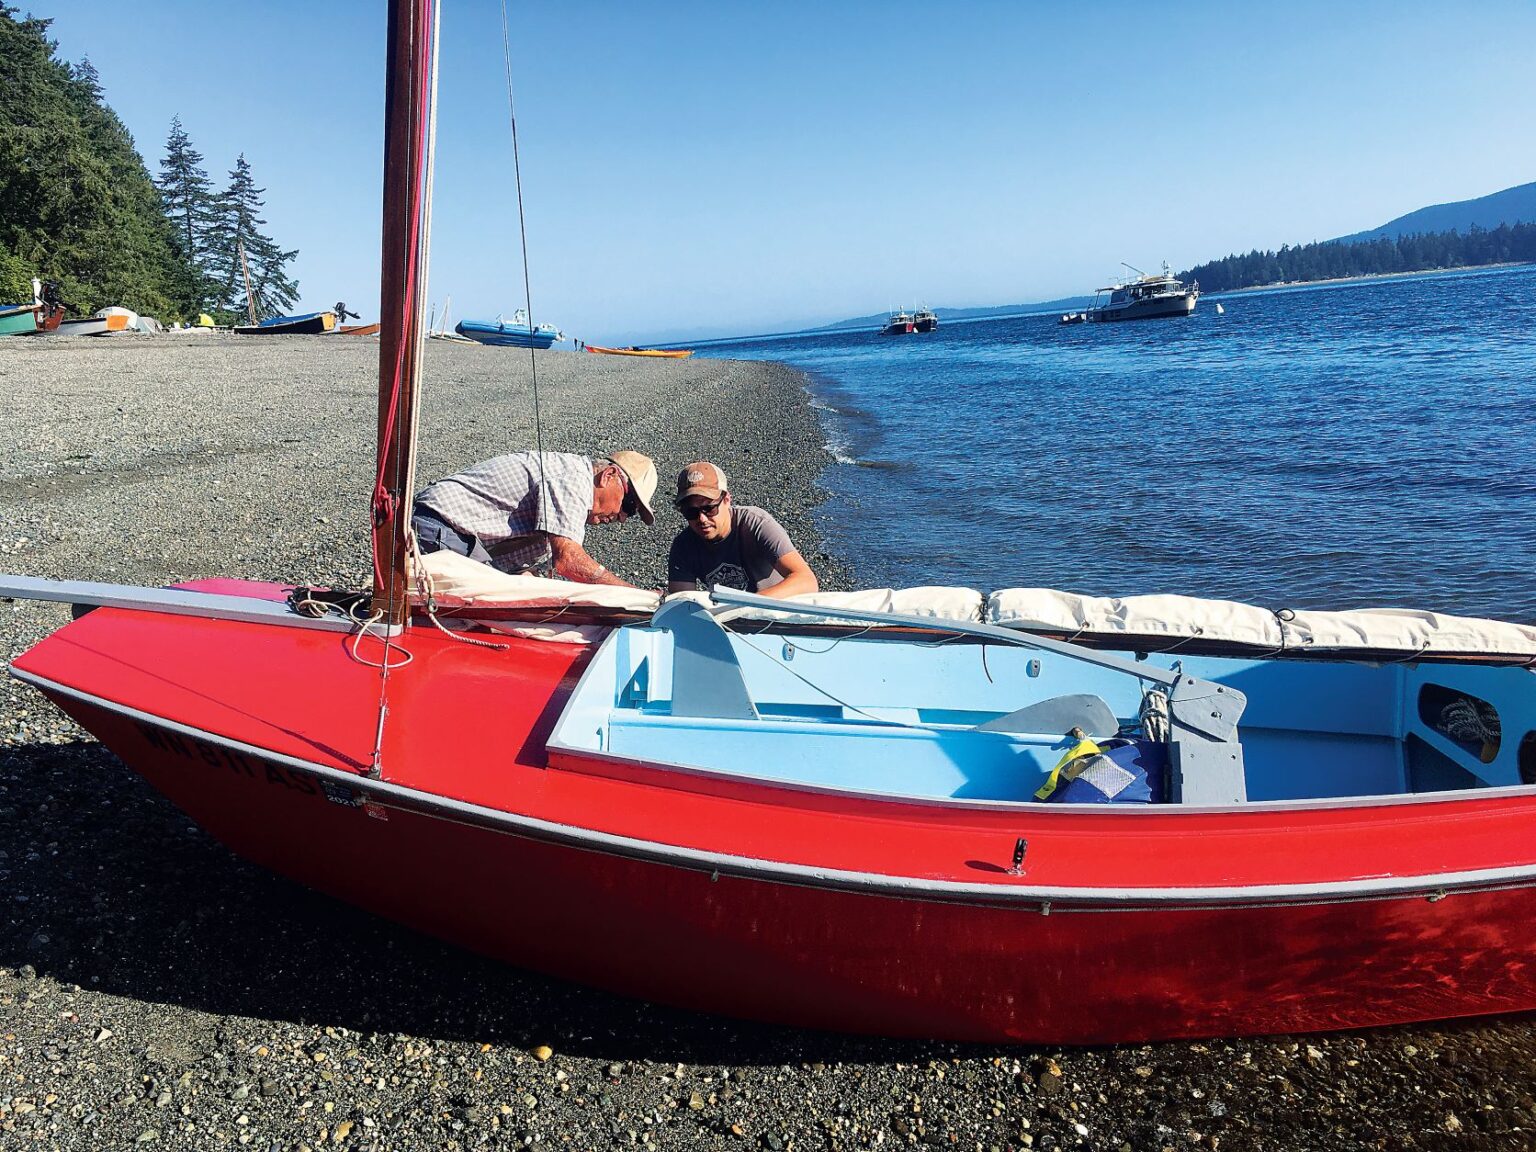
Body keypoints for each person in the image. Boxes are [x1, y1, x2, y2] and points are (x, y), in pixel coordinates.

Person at [411, 450, 657, 587]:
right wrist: (631, 593)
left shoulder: (566, 516)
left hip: (453, 535)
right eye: (628, 504)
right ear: (608, 476)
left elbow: (515, 571)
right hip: (439, 525)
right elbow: (569, 561)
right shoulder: (575, 479)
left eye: (632, 513)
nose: (623, 518)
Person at [666, 461, 819, 599]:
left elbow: (806, 581)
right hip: (728, 615)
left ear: (727, 500)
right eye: (691, 512)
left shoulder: (756, 524)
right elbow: (681, 601)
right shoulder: (683, 546)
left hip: (775, 611)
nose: (702, 519)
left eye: (709, 508)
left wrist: (747, 604)